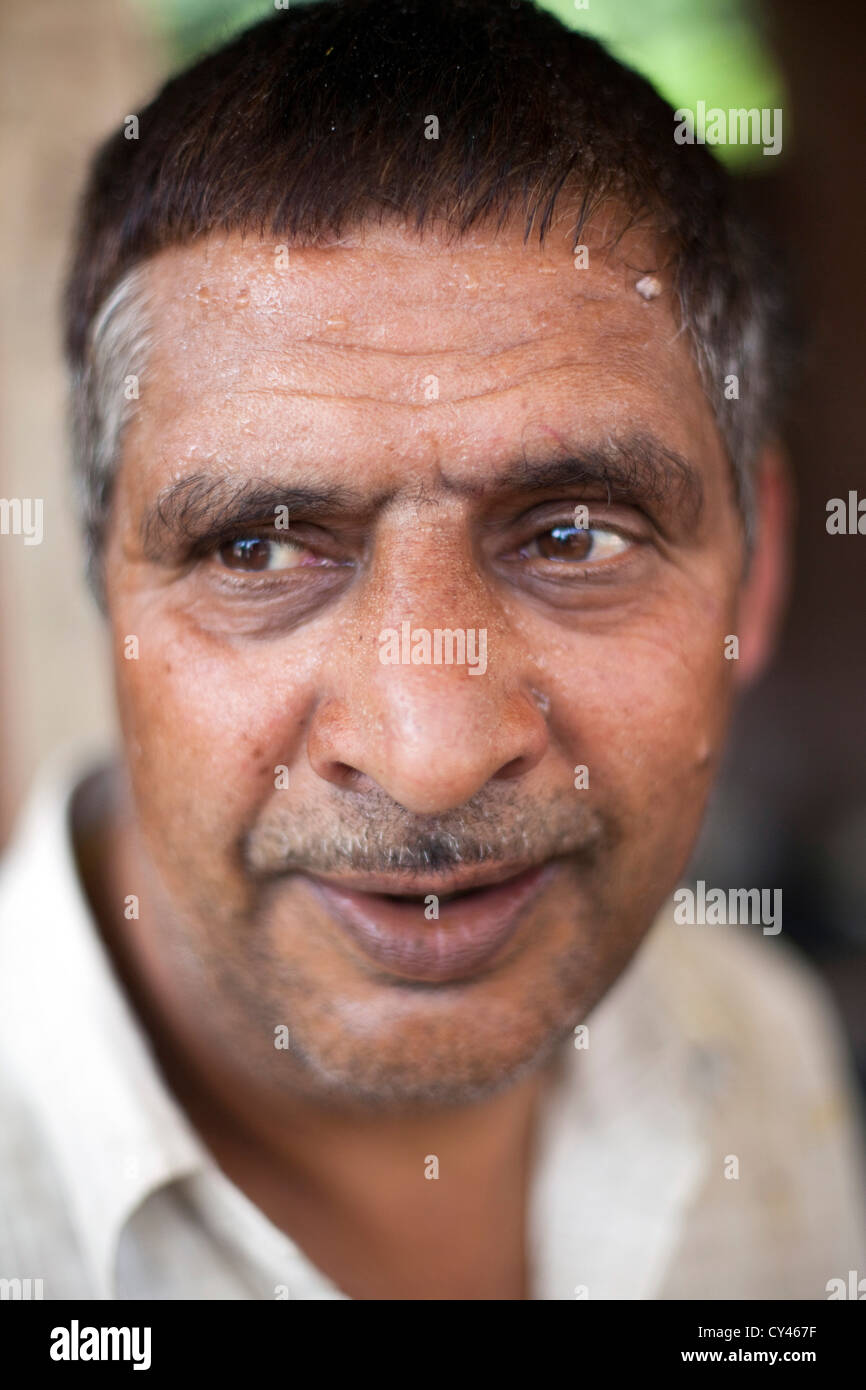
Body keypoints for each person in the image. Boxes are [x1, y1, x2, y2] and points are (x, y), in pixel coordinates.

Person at [0, 0, 863, 1301]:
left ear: (759, 565)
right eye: (258, 548)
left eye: (573, 536)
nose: (431, 756)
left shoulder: (759, 1041)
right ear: (100, 589)